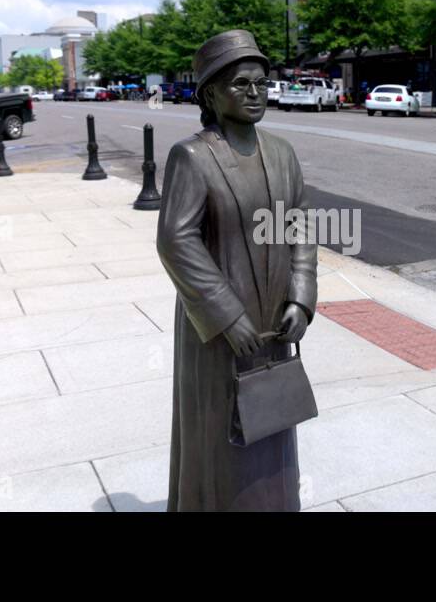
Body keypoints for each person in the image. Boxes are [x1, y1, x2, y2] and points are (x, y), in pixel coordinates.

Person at [156, 30, 318, 512]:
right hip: (219, 331)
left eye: (262, 83)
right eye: (240, 83)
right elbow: (175, 239)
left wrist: (301, 296)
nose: (254, 93)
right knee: (221, 433)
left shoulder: (282, 152)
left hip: (273, 319)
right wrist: (226, 315)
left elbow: (300, 225)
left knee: (272, 421)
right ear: (210, 94)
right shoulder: (193, 156)